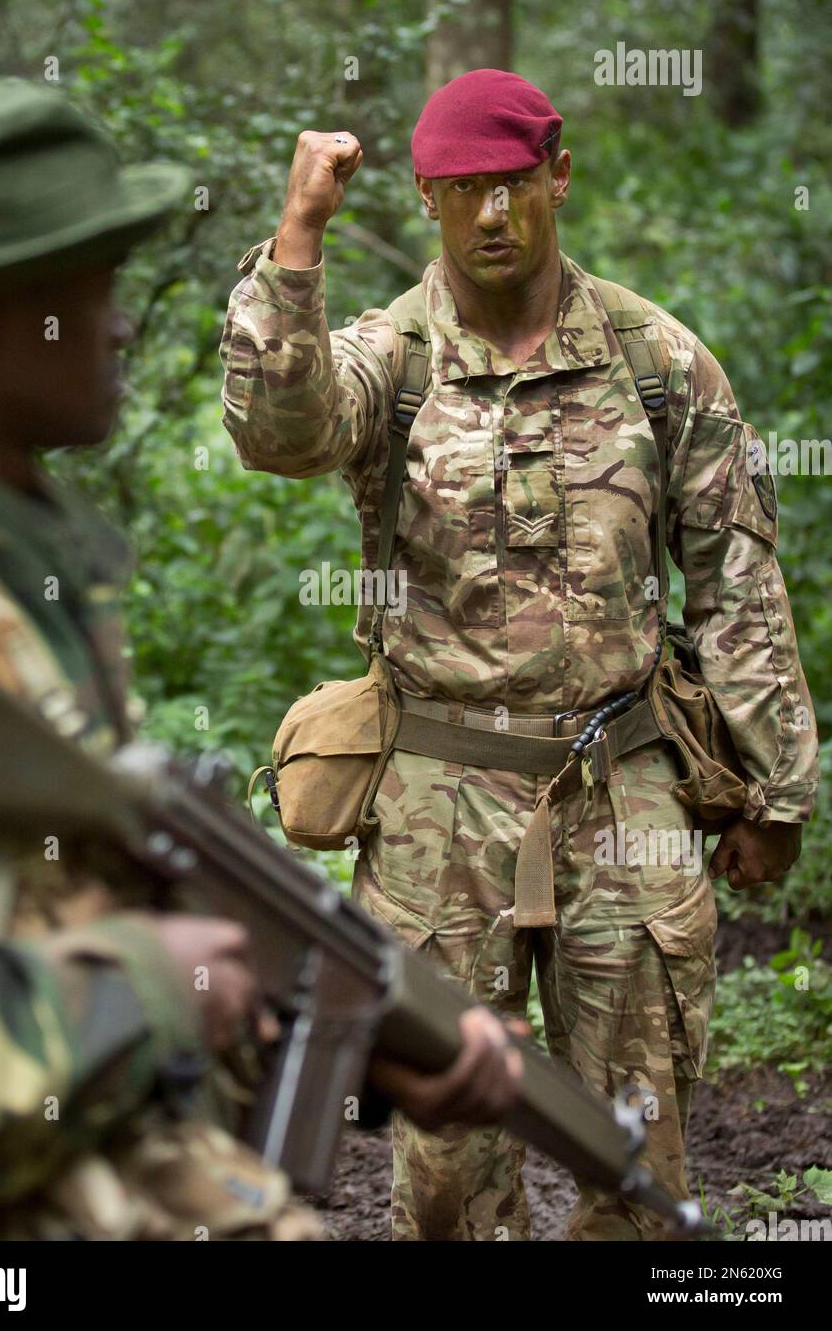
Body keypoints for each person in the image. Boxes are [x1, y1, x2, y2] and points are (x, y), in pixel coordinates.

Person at [0, 75, 522, 1242]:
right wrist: (140, 994)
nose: (120, 323)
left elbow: (32, 940)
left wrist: (357, 1050)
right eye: (91, 288)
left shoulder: (9, 568)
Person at [219, 67, 819, 1240]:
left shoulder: (660, 362)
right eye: (461, 191)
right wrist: (298, 240)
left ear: (559, 176)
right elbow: (277, 432)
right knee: (444, 1166)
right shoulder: (387, 357)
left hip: (624, 776)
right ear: (429, 197)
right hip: (437, 792)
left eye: (512, 186)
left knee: (639, 1145)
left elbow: (739, 578)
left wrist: (777, 786)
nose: (491, 216)